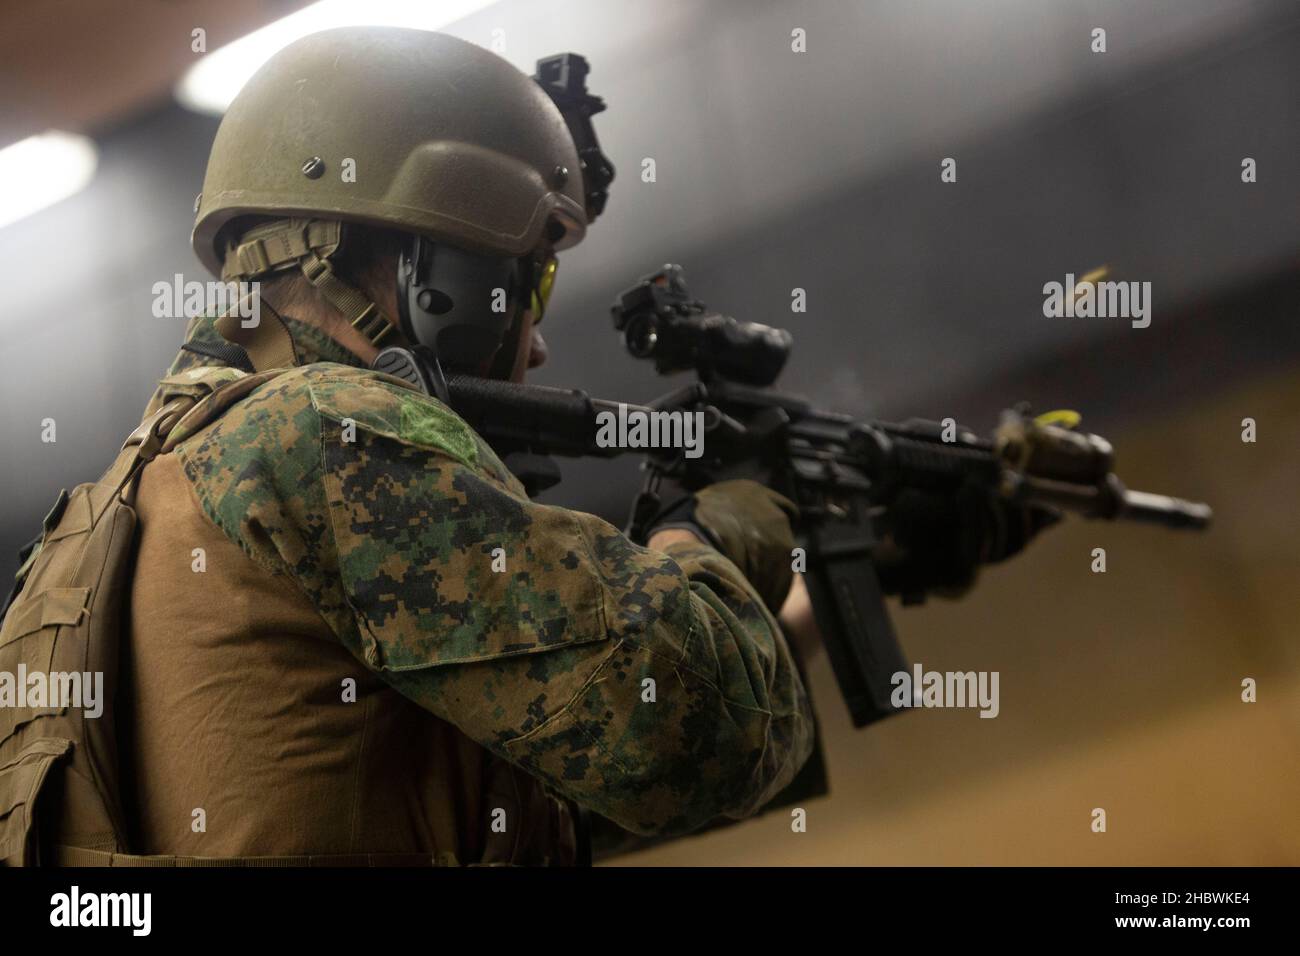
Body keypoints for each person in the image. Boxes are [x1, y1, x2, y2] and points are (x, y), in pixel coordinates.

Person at [110, 26, 815, 866]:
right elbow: (701, 740)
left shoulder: (146, 487)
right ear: (446, 281)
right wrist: (708, 538)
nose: (537, 341)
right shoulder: (329, 434)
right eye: (532, 278)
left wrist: (799, 610)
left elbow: (517, 797)